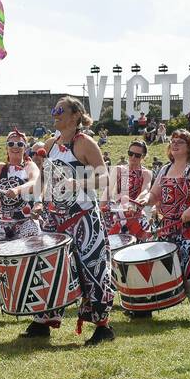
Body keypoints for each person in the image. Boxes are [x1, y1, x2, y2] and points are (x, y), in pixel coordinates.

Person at [24, 96, 117, 345]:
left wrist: (80, 183)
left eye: (60, 110)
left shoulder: (85, 143)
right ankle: (42, 321)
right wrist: (39, 202)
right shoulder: (50, 143)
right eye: (54, 110)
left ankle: (103, 326)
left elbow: (105, 179)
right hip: (55, 217)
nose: (55, 114)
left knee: (92, 269)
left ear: (76, 115)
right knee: (49, 267)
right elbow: (43, 178)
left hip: (83, 217)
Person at [135, 130, 190, 323]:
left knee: (189, 271)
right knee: (160, 269)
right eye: (173, 142)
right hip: (169, 228)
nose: (175, 145)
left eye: (180, 142)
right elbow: (154, 194)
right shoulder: (165, 169)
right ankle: (146, 307)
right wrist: (145, 199)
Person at [102, 139, 152, 238]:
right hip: (116, 212)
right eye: (130, 153)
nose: (133, 157)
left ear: (143, 157)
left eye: (137, 155)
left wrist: (135, 202)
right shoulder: (118, 169)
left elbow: (145, 189)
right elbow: (107, 191)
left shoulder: (147, 173)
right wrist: (100, 209)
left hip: (135, 211)